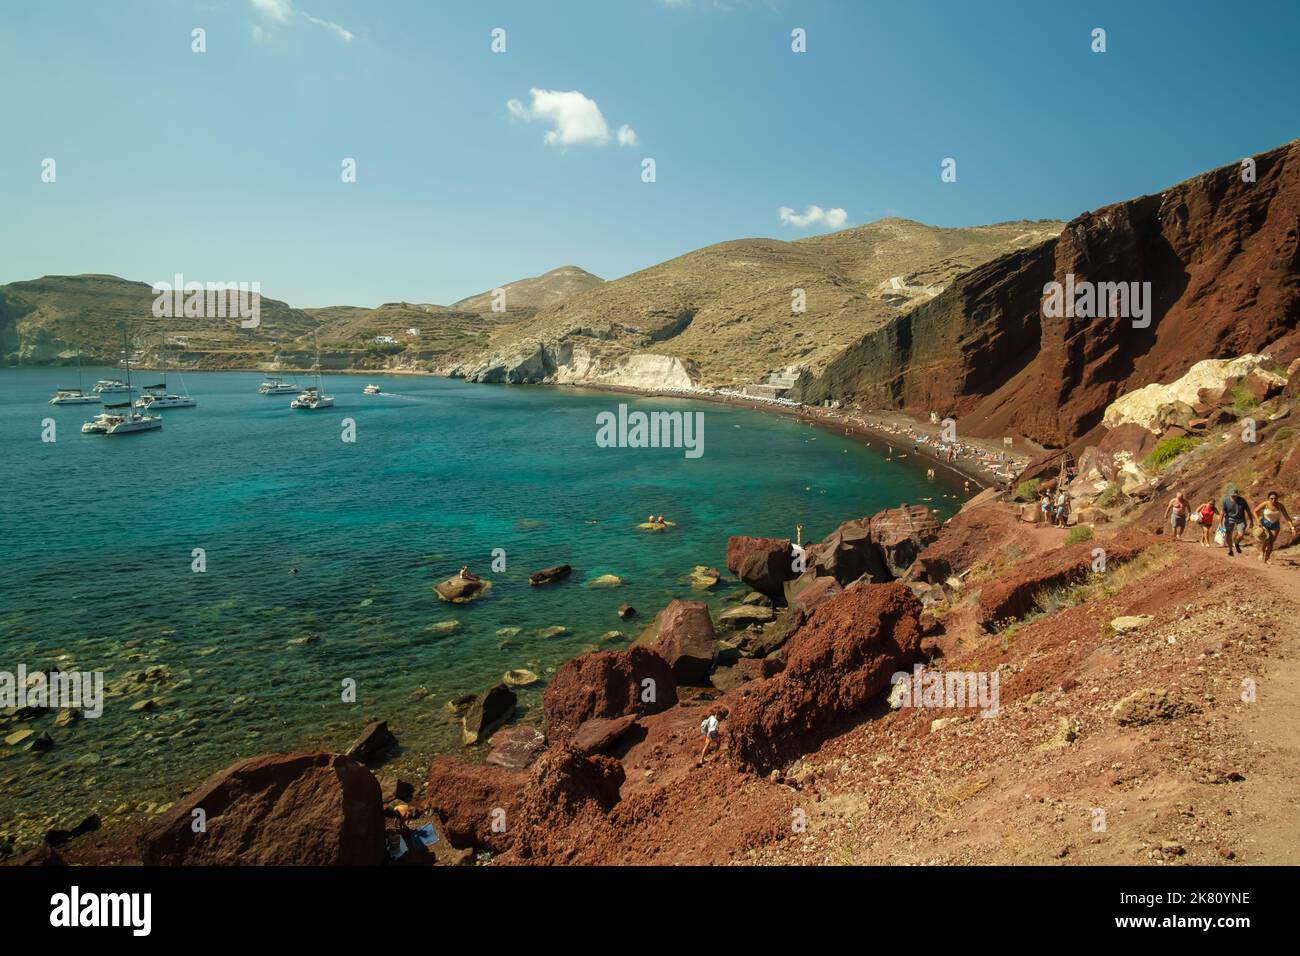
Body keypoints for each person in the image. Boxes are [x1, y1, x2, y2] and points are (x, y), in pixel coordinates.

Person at [1252, 491, 1296, 564]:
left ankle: (1267, 558)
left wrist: (1292, 528)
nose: (1273, 500)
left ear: (1277, 499)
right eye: (1271, 498)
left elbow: (1287, 517)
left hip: (1275, 525)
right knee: (1266, 539)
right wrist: (1258, 521)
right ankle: (1262, 551)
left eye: (1275, 498)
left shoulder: (1280, 506)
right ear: (1268, 498)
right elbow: (1254, 511)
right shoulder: (1265, 504)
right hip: (1264, 523)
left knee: (1271, 542)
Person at [1221, 489, 1255, 557]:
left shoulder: (1242, 500)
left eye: (1235, 495)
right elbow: (1222, 512)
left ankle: (1236, 543)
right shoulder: (1225, 501)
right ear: (1230, 495)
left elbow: (1248, 511)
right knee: (1228, 534)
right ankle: (1230, 551)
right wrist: (1220, 522)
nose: (1234, 497)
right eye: (1232, 496)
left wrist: (1251, 521)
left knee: (1241, 535)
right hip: (1229, 518)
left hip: (1240, 519)